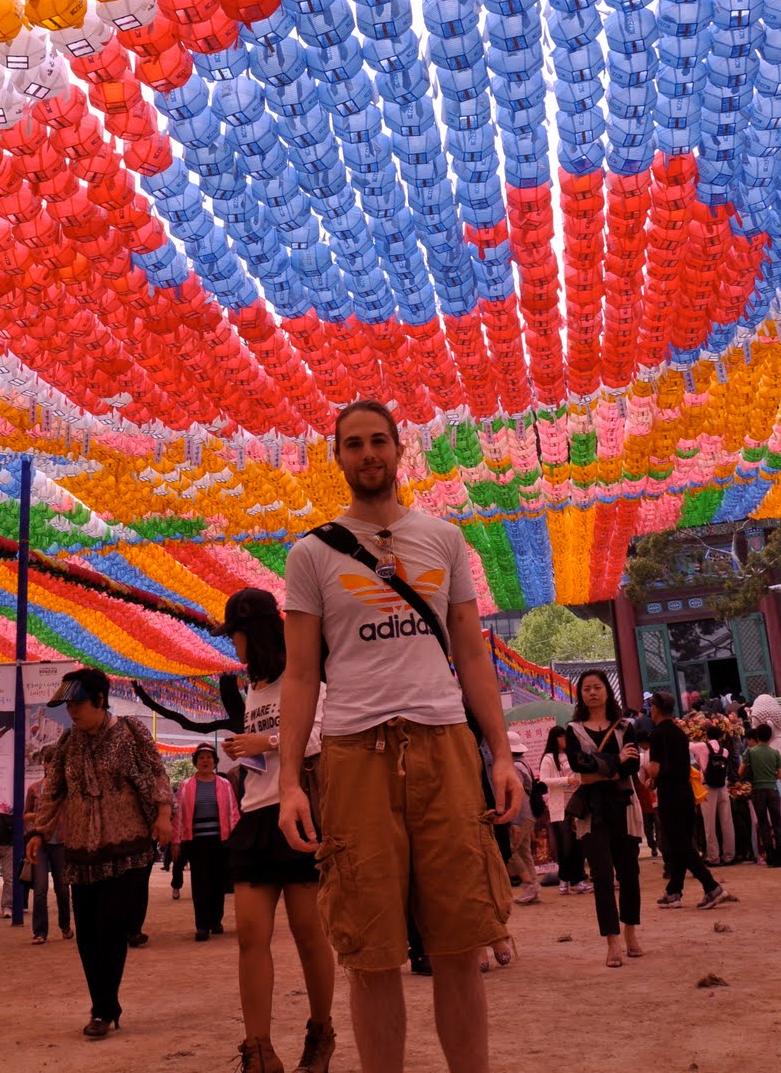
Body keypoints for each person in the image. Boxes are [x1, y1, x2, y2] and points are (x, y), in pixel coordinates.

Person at [278, 400, 519, 1073]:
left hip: (444, 744)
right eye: (353, 444)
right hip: (354, 752)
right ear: (338, 457)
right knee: (371, 954)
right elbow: (300, 674)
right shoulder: (309, 553)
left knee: (459, 947)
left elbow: (471, 654)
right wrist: (291, 781)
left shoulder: (443, 539)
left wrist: (501, 754)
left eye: (378, 441)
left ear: (398, 448)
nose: (368, 454)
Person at [220, 587, 335, 1073]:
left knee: (310, 934)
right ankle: (258, 1050)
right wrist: (246, 751)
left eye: (236, 635)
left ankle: (321, 1032)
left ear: (256, 633)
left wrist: (262, 741)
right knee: (250, 935)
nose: (234, 646)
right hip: (255, 817)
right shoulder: (254, 688)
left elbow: (321, 734)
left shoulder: (305, 677)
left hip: (299, 813)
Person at [26, 666, 172, 1039]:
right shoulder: (67, 744)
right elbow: (53, 791)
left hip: (127, 847)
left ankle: (103, 1010)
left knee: (110, 928)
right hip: (80, 851)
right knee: (88, 935)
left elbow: (156, 772)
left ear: (100, 700)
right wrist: (39, 832)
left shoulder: (131, 732)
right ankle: (103, 1003)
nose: (71, 711)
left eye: (78, 704)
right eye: (68, 705)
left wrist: (164, 815)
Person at [564, 670, 644, 968]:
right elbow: (577, 766)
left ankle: (630, 930)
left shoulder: (624, 727)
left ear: (607, 691)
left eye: (597, 687)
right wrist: (615, 761)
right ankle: (612, 940)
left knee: (629, 872)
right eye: (586, 688)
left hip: (623, 806)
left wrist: (598, 769)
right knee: (601, 875)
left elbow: (631, 767)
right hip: (592, 810)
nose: (592, 693)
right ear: (580, 695)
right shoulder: (573, 730)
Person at [646, 690, 728, 911]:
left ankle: (711, 887)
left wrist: (650, 777)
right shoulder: (680, 734)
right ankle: (674, 891)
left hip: (669, 795)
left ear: (655, 709)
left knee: (680, 844)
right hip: (686, 793)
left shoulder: (657, 734)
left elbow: (654, 769)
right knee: (679, 842)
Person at [172, 742, 240, 942]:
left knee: (218, 883)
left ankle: (216, 921)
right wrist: (176, 841)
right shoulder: (186, 785)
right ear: (195, 762)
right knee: (200, 884)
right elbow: (179, 815)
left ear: (215, 761)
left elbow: (233, 812)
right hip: (196, 843)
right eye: (201, 758)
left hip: (220, 842)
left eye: (209, 757)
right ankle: (202, 926)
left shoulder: (225, 784)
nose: (205, 761)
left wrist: (236, 840)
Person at [25, 753, 72, 945]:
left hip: (61, 841)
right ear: (45, 765)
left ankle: (65, 925)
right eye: (52, 763)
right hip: (40, 842)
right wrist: (40, 816)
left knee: (63, 888)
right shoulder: (34, 789)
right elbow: (25, 814)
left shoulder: (66, 789)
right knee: (40, 888)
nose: (54, 768)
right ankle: (40, 931)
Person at [539, 726, 590, 893]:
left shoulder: (572, 755)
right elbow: (544, 780)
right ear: (556, 739)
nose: (565, 741)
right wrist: (566, 780)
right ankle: (564, 879)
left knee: (578, 843)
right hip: (560, 806)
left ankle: (577, 879)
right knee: (565, 845)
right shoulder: (548, 758)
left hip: (576, 804)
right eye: (563, 737)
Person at [740, 723, 781, 864]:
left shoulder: (750, 752)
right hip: (773, 789)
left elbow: (740, 772)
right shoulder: (775, 753)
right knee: (777, 823)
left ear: (757, 736)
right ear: (770, 737)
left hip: (758, 790)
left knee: (763, 823)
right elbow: (780, 775)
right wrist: (770, 775)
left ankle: (770, 856)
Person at [506, 732, 540, 905]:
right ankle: (532, 887)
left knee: (509, 849)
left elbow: (516, 794)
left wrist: (515, 821)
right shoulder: (523, 762)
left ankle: (529, 884)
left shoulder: (513, 767)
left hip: (520, 813)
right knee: (524, 851)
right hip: (529, 812)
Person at [700, 724, 735, 867]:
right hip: (722, 786)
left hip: (708, 787)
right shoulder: (725, 751)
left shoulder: (702, 747)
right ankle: (729, 856)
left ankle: (714, 857)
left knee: (709, 824)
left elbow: (687, 745)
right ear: (720, 737)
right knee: (727, 821)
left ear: (706, 736)